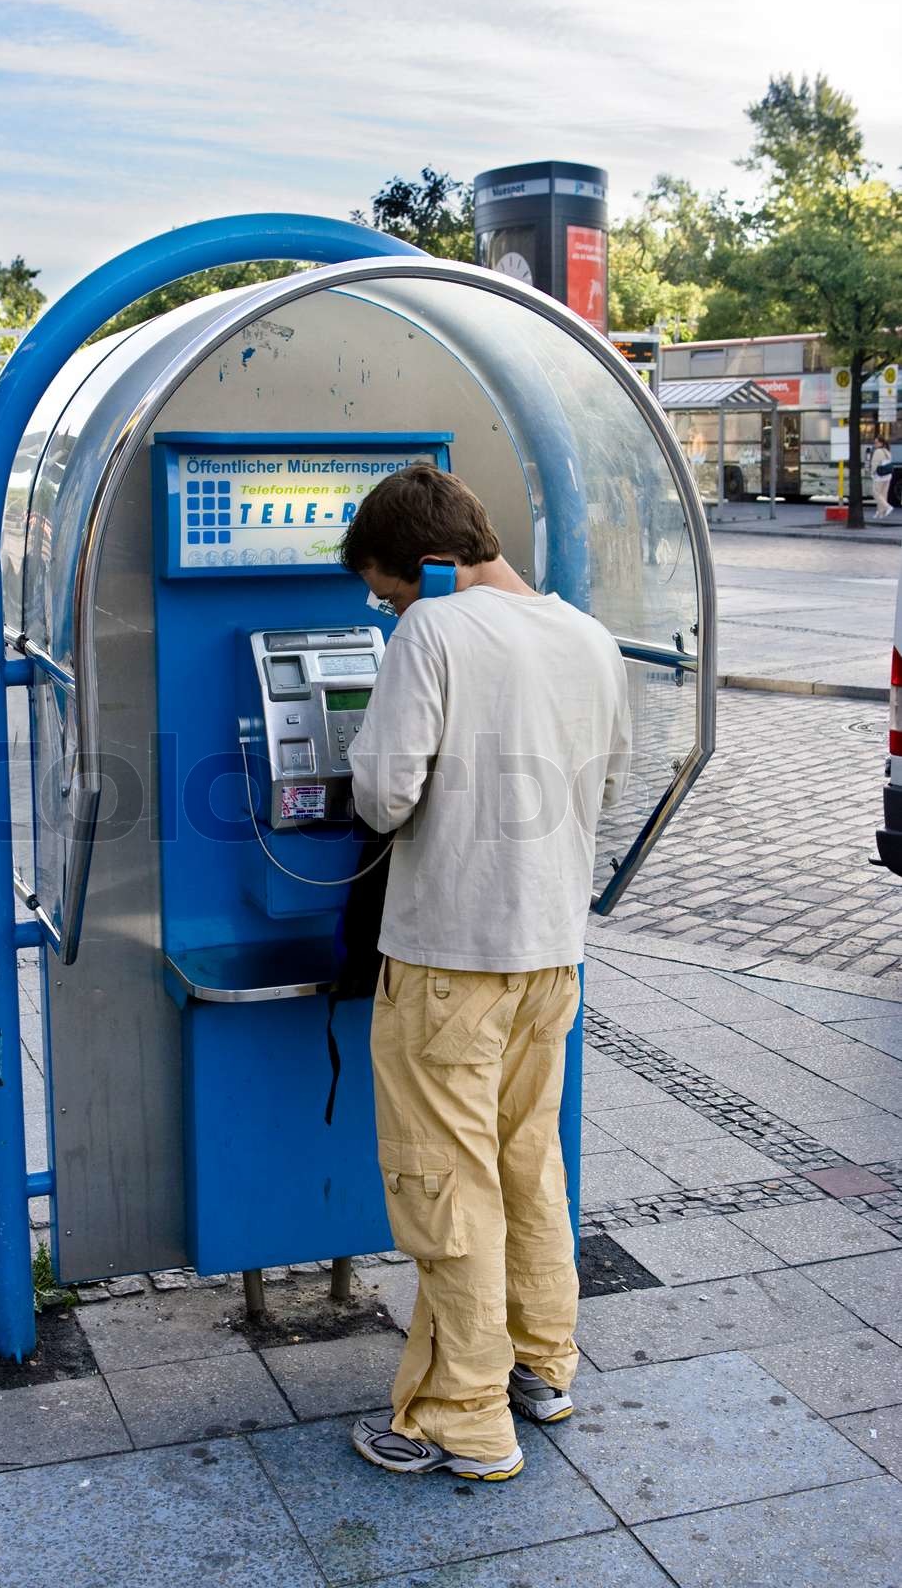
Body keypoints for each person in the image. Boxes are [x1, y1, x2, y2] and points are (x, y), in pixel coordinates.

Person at [342, 465, 630, 1483]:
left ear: (422, 563)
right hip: (550, 954)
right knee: (525, 1165)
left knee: (443, 1187)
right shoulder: (585, 637)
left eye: (383, 589)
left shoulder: (432, 629)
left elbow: (380, 794)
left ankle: (460, 1416)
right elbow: (611, 772)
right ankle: (541, 1366)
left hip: (445, 961)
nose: (387, 607)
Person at [870, 434, 894, 519]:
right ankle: (881, 513)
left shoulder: (878, 451)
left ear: (881, 443)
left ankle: (887, 507)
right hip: (888, 475)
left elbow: (874, 464)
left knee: (876, 493)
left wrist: (872, 473)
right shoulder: (887, 451)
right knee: (883, 494)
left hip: (879, 476)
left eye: (876, 443)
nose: (875, 444)